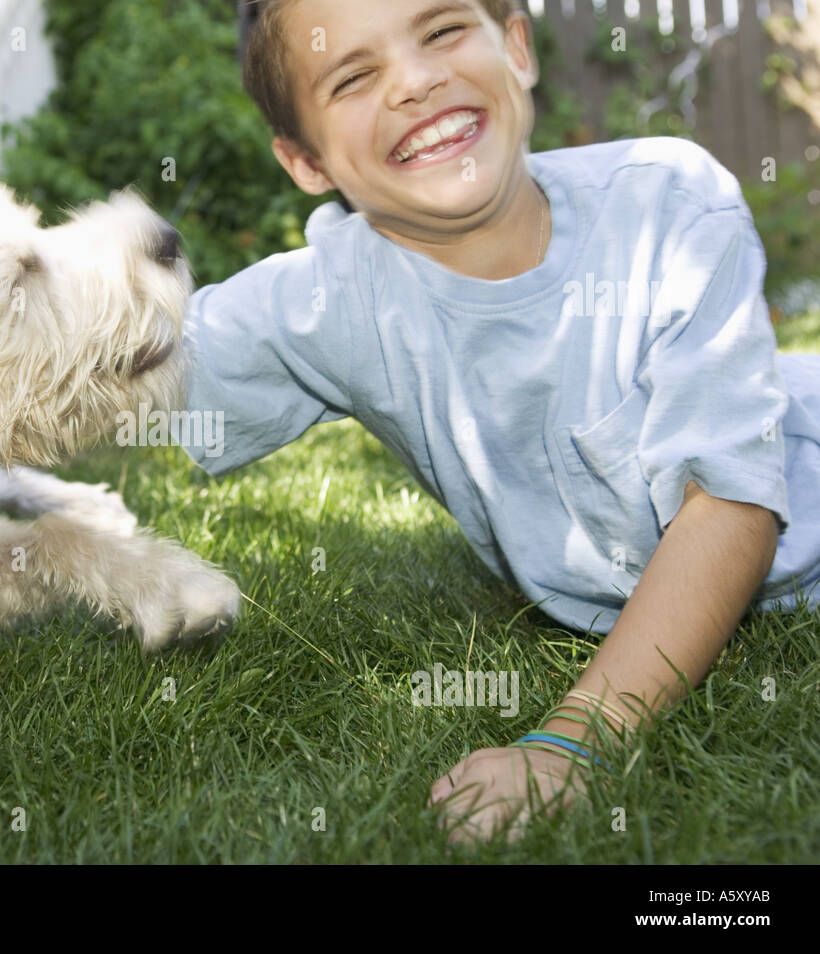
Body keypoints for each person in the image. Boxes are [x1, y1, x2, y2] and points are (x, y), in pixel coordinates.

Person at [178, 0, 820, 843]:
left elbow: (731, 500)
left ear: (515, 46)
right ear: (305, 160)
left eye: (442, 30)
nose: (415, 80)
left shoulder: (669, 203)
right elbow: (119, 380)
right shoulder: (333, 297)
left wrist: (573, 743)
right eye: (355, 75)